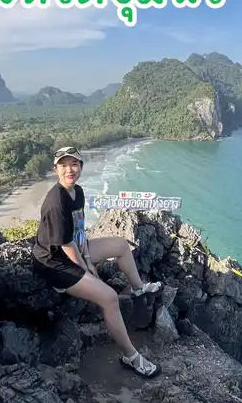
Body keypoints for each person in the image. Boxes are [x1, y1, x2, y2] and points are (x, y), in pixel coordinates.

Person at [32, 145, 163, 378]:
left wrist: (89, 258)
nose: (69, 170)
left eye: (74, 164)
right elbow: (66, 244)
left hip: (74, 249)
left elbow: (79, 231)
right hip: (54, 263)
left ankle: (138, 288)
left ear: (81, 167)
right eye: (63, 166)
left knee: (121, 245)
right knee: (109, 297)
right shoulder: (56, 202)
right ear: (55, 170)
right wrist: (87, 269)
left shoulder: (78, 192)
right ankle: (131, 357)